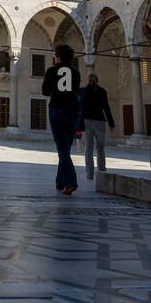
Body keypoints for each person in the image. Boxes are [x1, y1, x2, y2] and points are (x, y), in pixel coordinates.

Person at [41, 43, 81, 195]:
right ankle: (60, 182)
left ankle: (71, 182)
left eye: (55, 56)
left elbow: (45, 91)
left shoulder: (52, 70)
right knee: (65, 147)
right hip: (73, 111)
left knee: (62, 148)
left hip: (57, 109)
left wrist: (55, 91)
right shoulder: (76, 73)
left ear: (58, 57)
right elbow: (76, 91)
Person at [81, 73, 115, 180]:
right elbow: (106, 108)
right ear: (98, 80)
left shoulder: (84, 91)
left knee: (88, 149)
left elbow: (81, 105)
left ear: (88, 80)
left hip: (87, 122)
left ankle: (89, 174)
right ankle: (101, 171)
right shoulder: (102, 91)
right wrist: (111, 123)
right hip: (100, 122)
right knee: (100, 148)